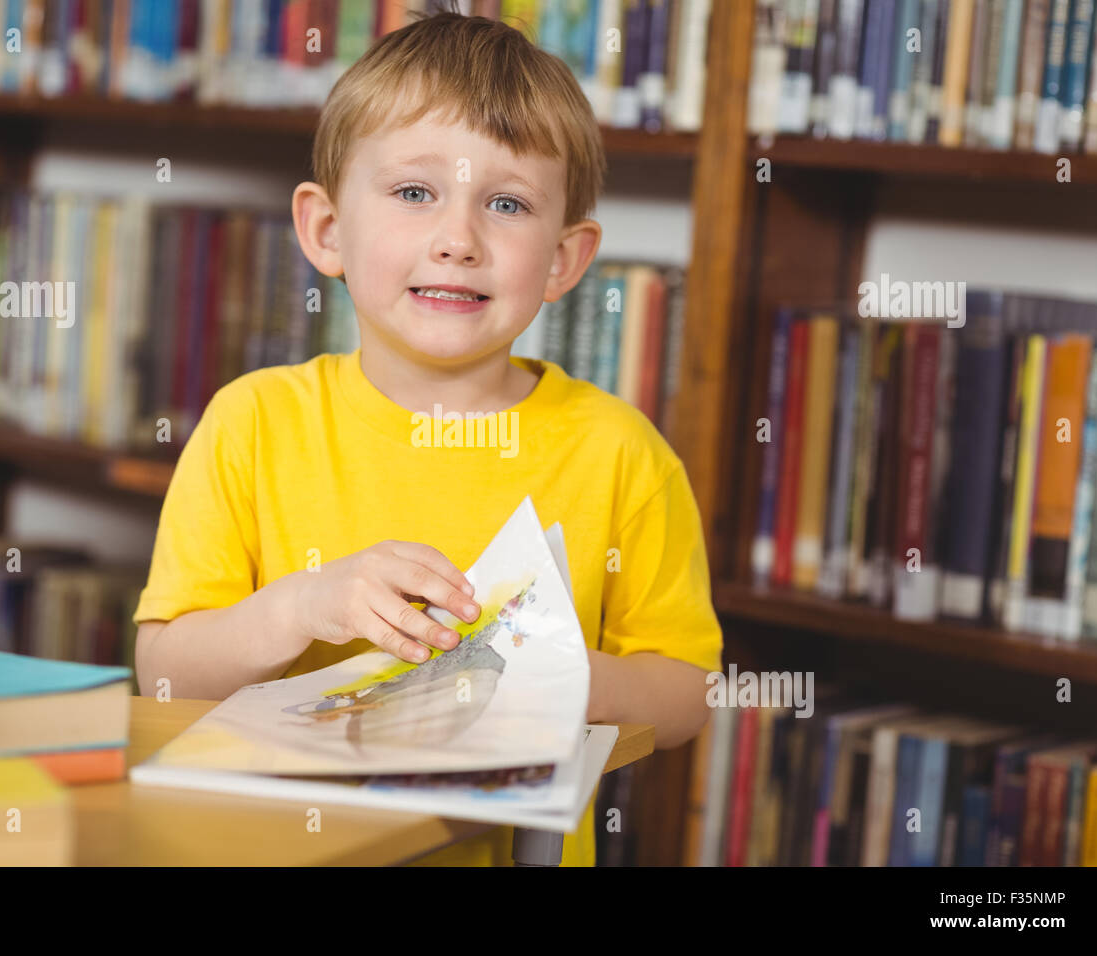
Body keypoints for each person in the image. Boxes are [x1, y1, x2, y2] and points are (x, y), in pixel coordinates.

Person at [133, 8, 723, 866]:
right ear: (327, 231)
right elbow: (165, 677)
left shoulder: (621, 452)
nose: (458, 241)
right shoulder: (253, 424)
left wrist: (555, 674)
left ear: (564, 259)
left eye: (507, 204)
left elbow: (687, 697)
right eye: (415, 193)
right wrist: (301, 606)